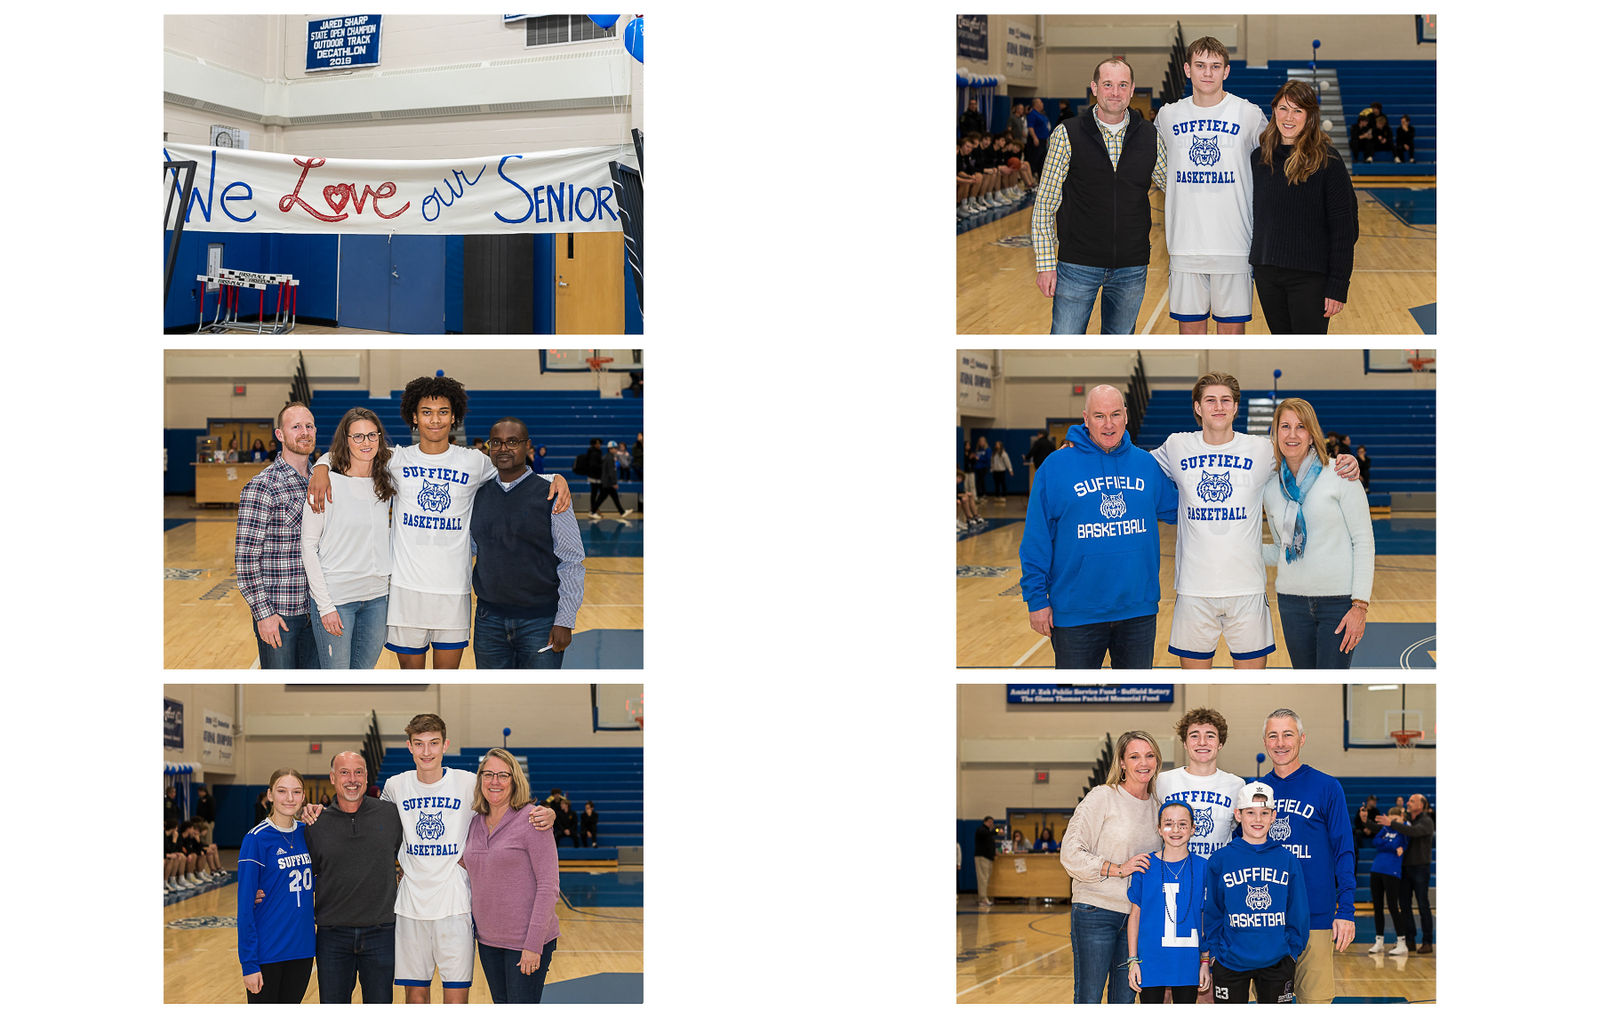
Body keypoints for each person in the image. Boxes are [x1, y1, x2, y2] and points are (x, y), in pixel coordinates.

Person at [306, 375, 572, 669]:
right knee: (413, 682)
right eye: (426, 412)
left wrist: (555, 478)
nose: (435, 420)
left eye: (443, 412)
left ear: (454, 417)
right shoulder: (396, 459)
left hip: (453, 591)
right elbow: (351, 451)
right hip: (406, 590)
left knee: (446, 680)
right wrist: (320, 467)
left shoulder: (474, 461)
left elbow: (516, 474)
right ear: (414, 417)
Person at [1153, 373, 1358, 668]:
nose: (1219, 407)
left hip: (1247, 589)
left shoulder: (1261, 449)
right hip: (1193, 590)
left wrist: (1344, 461)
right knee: (1195, 685)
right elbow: (1135, 467)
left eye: (1226, 400)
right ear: (1197, 407)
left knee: (1250, 685)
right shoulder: (1176, 446)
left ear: (1236, 407)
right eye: (1210, 400)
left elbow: (1302, 454)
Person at [1020, 385, 1178, 668]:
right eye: (1099, 416)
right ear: (1086, 418)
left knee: (1136, 695)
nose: (1108, 424)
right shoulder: (1055, 467)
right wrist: (1036, 600)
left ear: (1126, 416)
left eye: (1115, 414)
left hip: (1137, 611)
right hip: (1076, 613)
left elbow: (1182, 510)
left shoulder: (1146, 464)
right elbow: (1036, 538)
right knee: (1075, 696)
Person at [1030, 58, 1157, 334]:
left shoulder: (1151, 135)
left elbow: (1177, 187)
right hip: (1077, 265)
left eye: (1122, 85)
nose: (1115, 92)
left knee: (1119, 348)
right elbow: (1045, 204)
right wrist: (1045, 264)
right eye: (1108, 84)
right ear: (1095, 88)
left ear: (1132, 89)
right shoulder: (1067, 134)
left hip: (1132, 266)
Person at [1153, 37, 1268, 335]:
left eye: (1215, 66)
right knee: (1191, 335)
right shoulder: (1168, 116)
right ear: (1187, 69)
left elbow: (1274, 165)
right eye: (1200, 65)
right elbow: (1153, 163)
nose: (1208, 73)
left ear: (1226, 71)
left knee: (1231, 338)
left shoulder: (1248, 114)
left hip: (1235, 246)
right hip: (1185, 245)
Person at [1262, 398, 1375, 667]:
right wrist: (1234, 549)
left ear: (1312, 435)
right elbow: (1281, 549)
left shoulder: (1341, 474)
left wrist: (1360, 605)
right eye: (1285, 426)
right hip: (1291, 603)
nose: (1292, 434)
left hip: (1338, 603)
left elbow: (1363, 542)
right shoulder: (1271, 488)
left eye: (1300, 427)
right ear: (1275, 434)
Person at [1258, 709, 1357, 1004]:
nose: (1280, 743)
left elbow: (1344, 851)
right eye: (1273, 736)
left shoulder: (1327, 787)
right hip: (1266, 919)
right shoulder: (1255, 791)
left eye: (1287, 735)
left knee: (1314, 1002)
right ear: (1265, 742)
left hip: (1316, 916)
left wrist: (1346, 910)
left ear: (1302, 739)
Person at [471, 417, 586, 669]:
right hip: (488, 621)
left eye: (512, 442)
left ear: (527, 446)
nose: (503, 448)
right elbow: (469, 548)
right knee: (492, 690)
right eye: (496, 443)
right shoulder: (477, 495)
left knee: (540, 689)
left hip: (540, 621)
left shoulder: (552, 494)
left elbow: (571, 561)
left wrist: (565, 620)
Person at [1059, 731, 1162, 1004]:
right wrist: (1118, 869)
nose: (1144, 763)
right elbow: (1070, 853)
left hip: (1136, 919)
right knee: (1089, 999)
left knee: (1124, 1001)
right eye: (1135, 756)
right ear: (1122, 763)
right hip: (1096, 911)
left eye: (1150, 755)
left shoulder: (1158, 807)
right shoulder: (1103, 797)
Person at [1249, 80, 1358, 335]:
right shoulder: (1259, 158)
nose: (1289, 117)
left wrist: (1338, 285)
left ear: (1310, 117)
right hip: (1267, 276)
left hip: (1311, 279)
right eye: (1284, 108)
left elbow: (1345, 230)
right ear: (1274, 110)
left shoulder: (1328, 161)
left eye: (1298, 110)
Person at [301, 751, 404, 1003]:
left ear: (367, 777)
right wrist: (263, 890)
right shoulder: (315, 823)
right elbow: (299, 871)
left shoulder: (391, 815)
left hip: (381, 931)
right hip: (332, 935)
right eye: (344, 773)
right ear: (332, 778)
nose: (352, 779)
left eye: (358, 772)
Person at [460, 749, 561, 1003]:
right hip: (488, 941)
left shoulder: (533, 820)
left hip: (524, 942)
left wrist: (533, 944)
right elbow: (464, 865)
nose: (495, 781)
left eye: (503, 775)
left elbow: (548, 886)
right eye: (488, 774)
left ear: (514, 780)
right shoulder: (474, 823)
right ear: (480, 779)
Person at [300, 408, 396, 669]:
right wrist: (325, 606)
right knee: (338, 681)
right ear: (346, 440)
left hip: (377, 598)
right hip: (337, 599)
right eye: (358, 436)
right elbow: (308, 546)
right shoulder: (325, 484)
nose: (366, 442)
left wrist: (321, 463)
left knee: (362, 678)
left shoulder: (385, 480)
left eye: (372, 435)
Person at [1201, 782, 1308, 1003]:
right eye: (1250, 812)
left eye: (1264, 813)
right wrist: (1215, 954)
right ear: (1238, 815)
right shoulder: (1221, 859)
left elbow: (1298, 910)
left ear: (1273, 816)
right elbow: (1213, 910)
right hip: (1229, 960)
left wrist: (1291, 952)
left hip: (1277, 960)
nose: (1258, 819)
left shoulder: (1287, 860)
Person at [236, 401, 322, 669]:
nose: (304, 432)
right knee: (281, 685)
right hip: (280, 615)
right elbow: (246, 559)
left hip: (318, 611)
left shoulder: (321, 482)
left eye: (309, 426)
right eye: (296, 427)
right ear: (280, 434)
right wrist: (264, 615)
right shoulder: (262, 486)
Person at [237, 769, 316, 1003]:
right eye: (282, 791)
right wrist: (249, 964)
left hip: (302, 949)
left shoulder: (308, 833)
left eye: (296, 792)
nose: (290, 798)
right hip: (268, 952)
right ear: (270, 795)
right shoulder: (255, 839)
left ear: (303, 796)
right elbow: (244, 908)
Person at [1127, 800, 1209, 1003]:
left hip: (1187, 961)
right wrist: (1133, 960)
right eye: (1169, 824)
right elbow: (1135, 916)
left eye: (1182, 824)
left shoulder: (1203, 867)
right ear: (1159, 829)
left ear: (1193, 829)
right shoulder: (1145, 866)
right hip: (1151, 960)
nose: (1175, 830)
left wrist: (1205, 961)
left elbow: (1205, 918)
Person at [1154, 706, 1245, 860]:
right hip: (1174, 870)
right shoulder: (1164, 781)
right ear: (1185, 743)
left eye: (1210, 736)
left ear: (1220, 743)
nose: (1202, 742)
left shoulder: (1236, 785)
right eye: (1194, 736)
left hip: (1217, 870)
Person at [1376, 793, 1434, 954]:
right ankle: (1409, 941)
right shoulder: (1405, 820)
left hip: (1420, 868)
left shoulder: (1426, 821)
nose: (1408, 803)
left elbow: (1412, 832)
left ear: (1421, 805)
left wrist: (1393, 823)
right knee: (1405, 905)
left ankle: (1427, 941)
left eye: (1412, 801)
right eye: (1409, 800)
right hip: (1405, 868)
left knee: (1423, 904)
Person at [1365, 806, 1413, 956]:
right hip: (1376, 869)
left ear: (1402, 818)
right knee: (1377, 907)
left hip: (1392, 871)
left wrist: (1387, 844)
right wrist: (1392, 846)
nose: (1392, 822)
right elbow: (1376, 842)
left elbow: (1403, 844)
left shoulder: (1404, 829)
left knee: (1393, 906)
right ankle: (1379, 941)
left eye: (1395, 819)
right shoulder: (1386, 828)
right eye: (1390, 819)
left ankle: (1402, 942)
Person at [589, 441, 629, 519]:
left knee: (609, 497)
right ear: (610, 449)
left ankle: (622, 512)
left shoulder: (607, 457)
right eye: (615, 448)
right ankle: (593, 512)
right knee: (604, 497)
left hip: (607, 481)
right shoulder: (610, 458)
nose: (616, 450)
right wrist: (614, 482)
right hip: (608, 482)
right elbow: (611, 471)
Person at [973, 816, 997, 910]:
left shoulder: (988, 832)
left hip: (988, 857)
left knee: (986, 878)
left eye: (993, 822)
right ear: (986, 821)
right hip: (982, 857)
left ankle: (984, 898)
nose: (992, 824)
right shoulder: (981, 830)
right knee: (982, 878)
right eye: (991, 822)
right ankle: (982, 899)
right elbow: (987, 834)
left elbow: (989, 842)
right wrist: (996, 831)